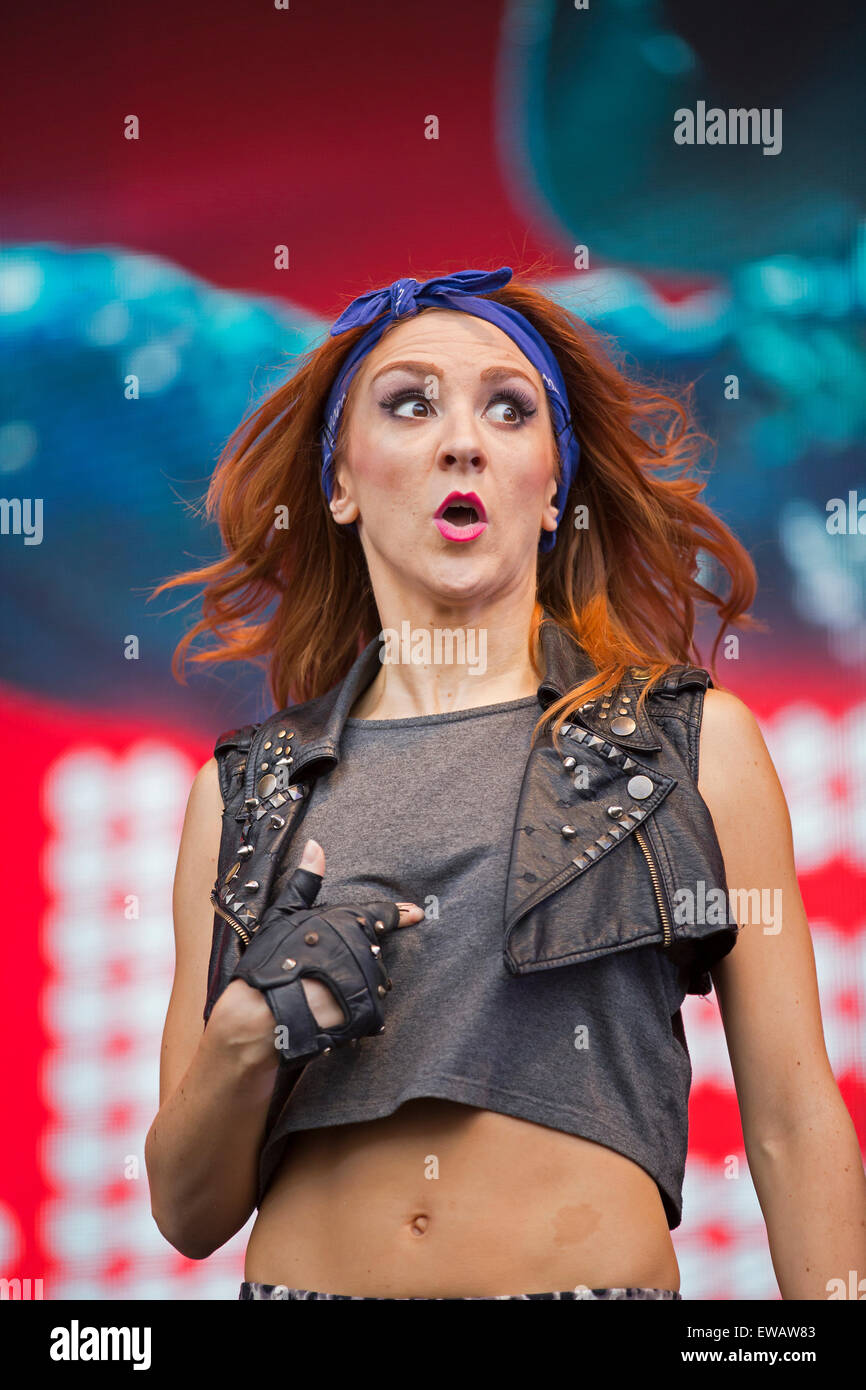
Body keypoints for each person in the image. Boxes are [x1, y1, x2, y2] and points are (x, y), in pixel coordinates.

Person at [145, 266, 866, 1301]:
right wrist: (250, 1036)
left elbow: (794, 1127)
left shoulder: (689, 745)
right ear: (339, 485)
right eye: (408, 403)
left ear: (551, 488)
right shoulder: (246, 792)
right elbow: (185, 1209)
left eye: (506, 407)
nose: (460, 439)